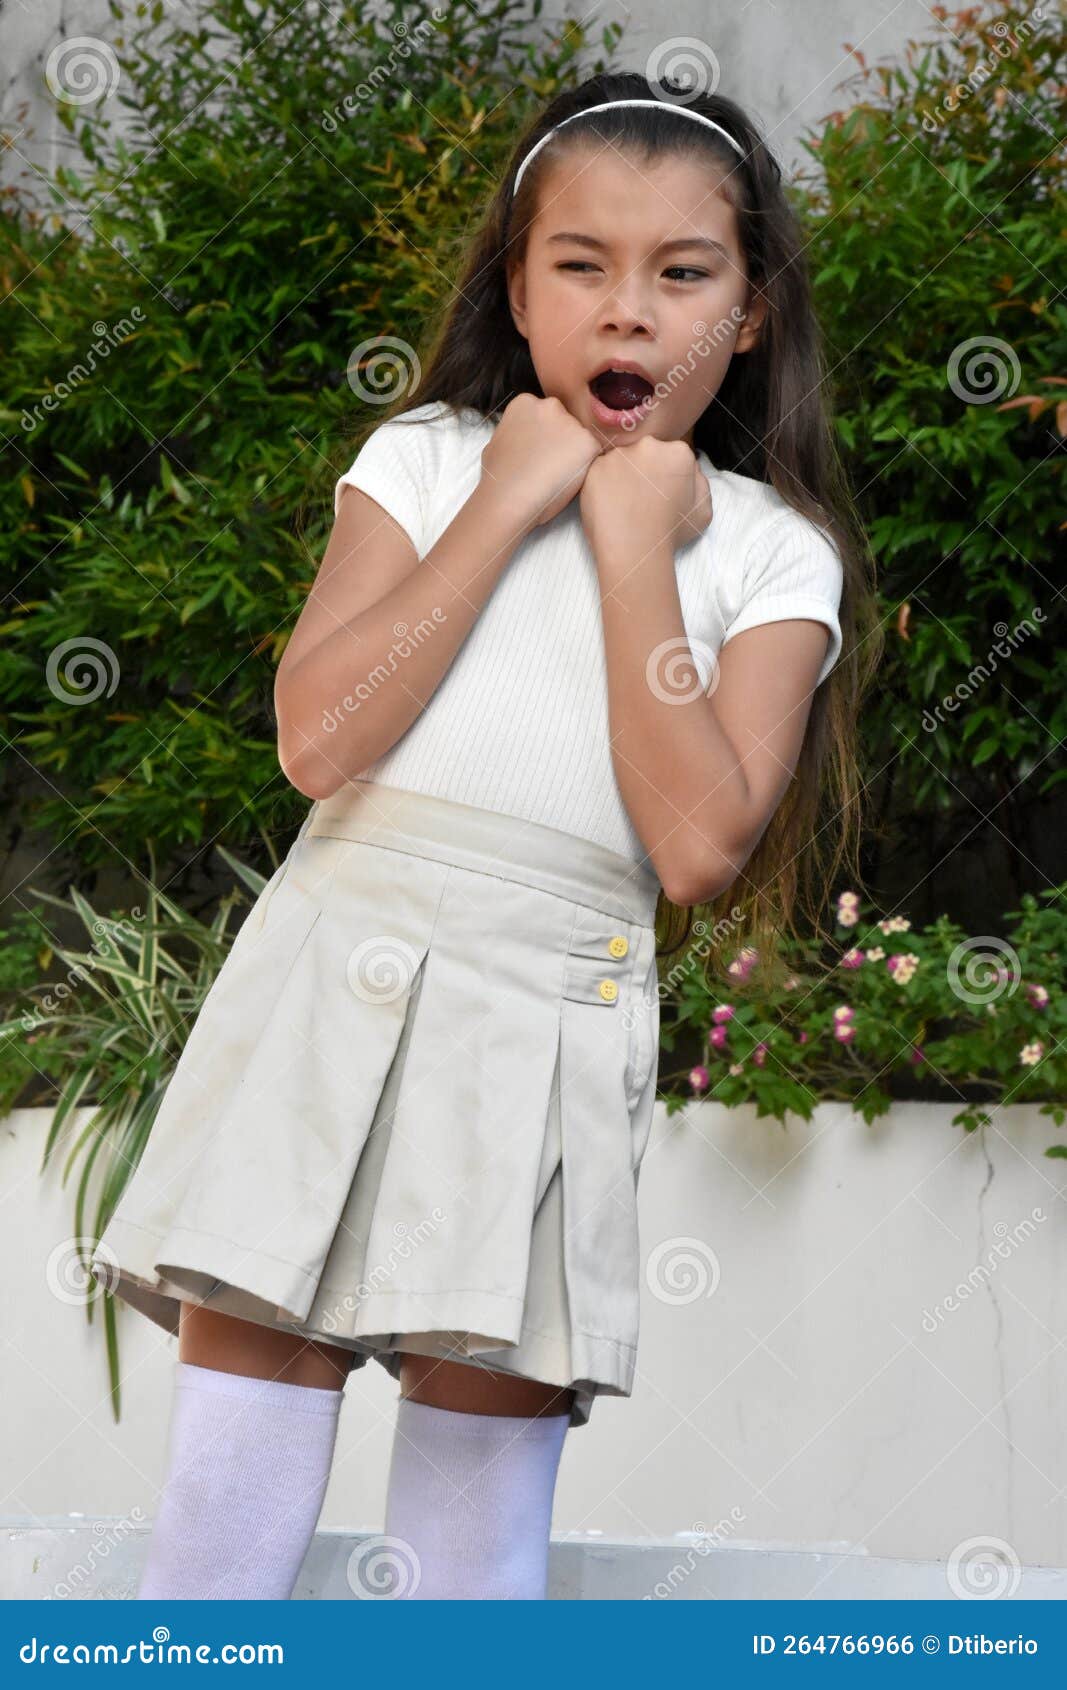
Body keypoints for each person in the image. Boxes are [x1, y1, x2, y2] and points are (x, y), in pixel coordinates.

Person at [90, 67, 878, 1602]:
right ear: (518, 291)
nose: (629, 312)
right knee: (217, 1539)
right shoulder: (430, 463)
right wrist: (504, 507)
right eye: (580, 265)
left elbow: (699, 841)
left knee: (469, 1560)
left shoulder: (774, 555)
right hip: (335, 974)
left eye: (685, 273)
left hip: (553, 1009)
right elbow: (321, 740)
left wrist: (635, 547)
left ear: (756, 313)